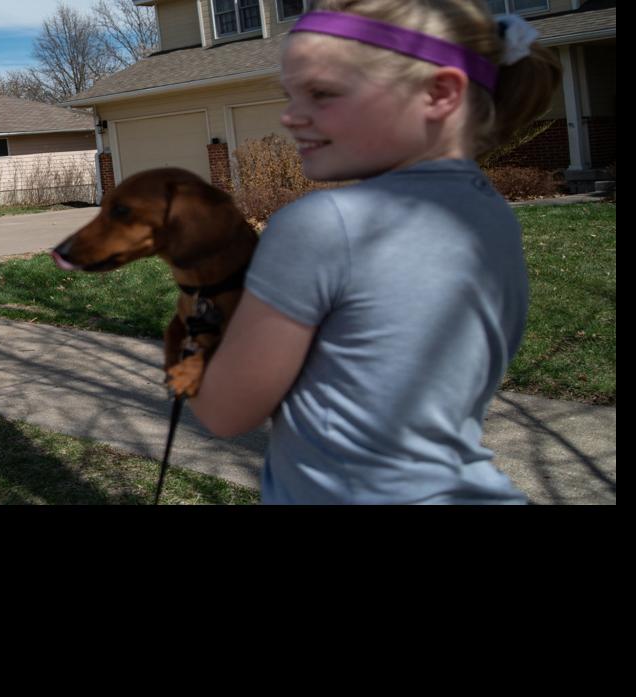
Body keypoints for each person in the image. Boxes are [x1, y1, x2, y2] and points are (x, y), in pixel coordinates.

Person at [185, 0, 560, 504]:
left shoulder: (326, 225)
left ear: (439, 92)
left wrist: (199, 318)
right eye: (290, 94)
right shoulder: (490, 214)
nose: (290, 117)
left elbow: (224, 412)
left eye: (322, 93)